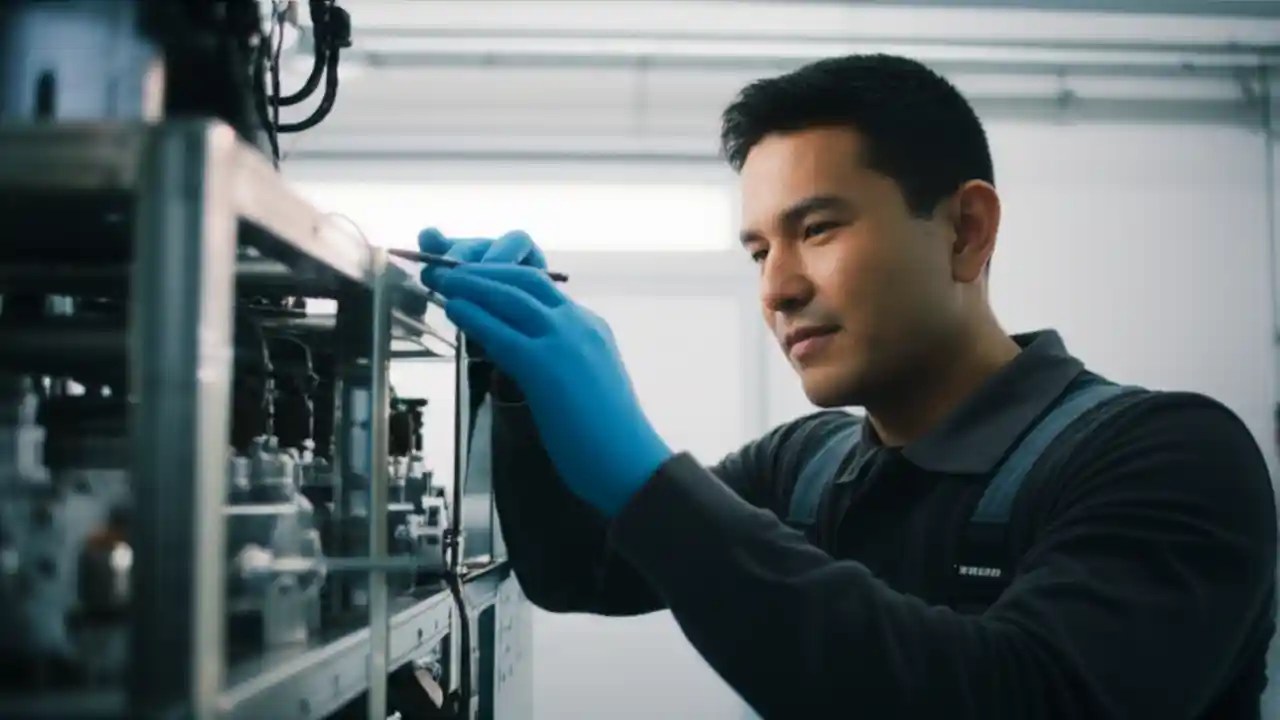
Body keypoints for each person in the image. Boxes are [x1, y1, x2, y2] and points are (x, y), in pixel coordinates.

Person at [415, 54, 1278, 718]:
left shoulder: (1170, 457)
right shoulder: (808, 464)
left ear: (966, 231)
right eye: (759, 251)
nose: (777, 288)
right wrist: (517, 384)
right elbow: (582, 571)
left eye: (819, 229)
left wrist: (647, 477)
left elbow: (1018, 696)